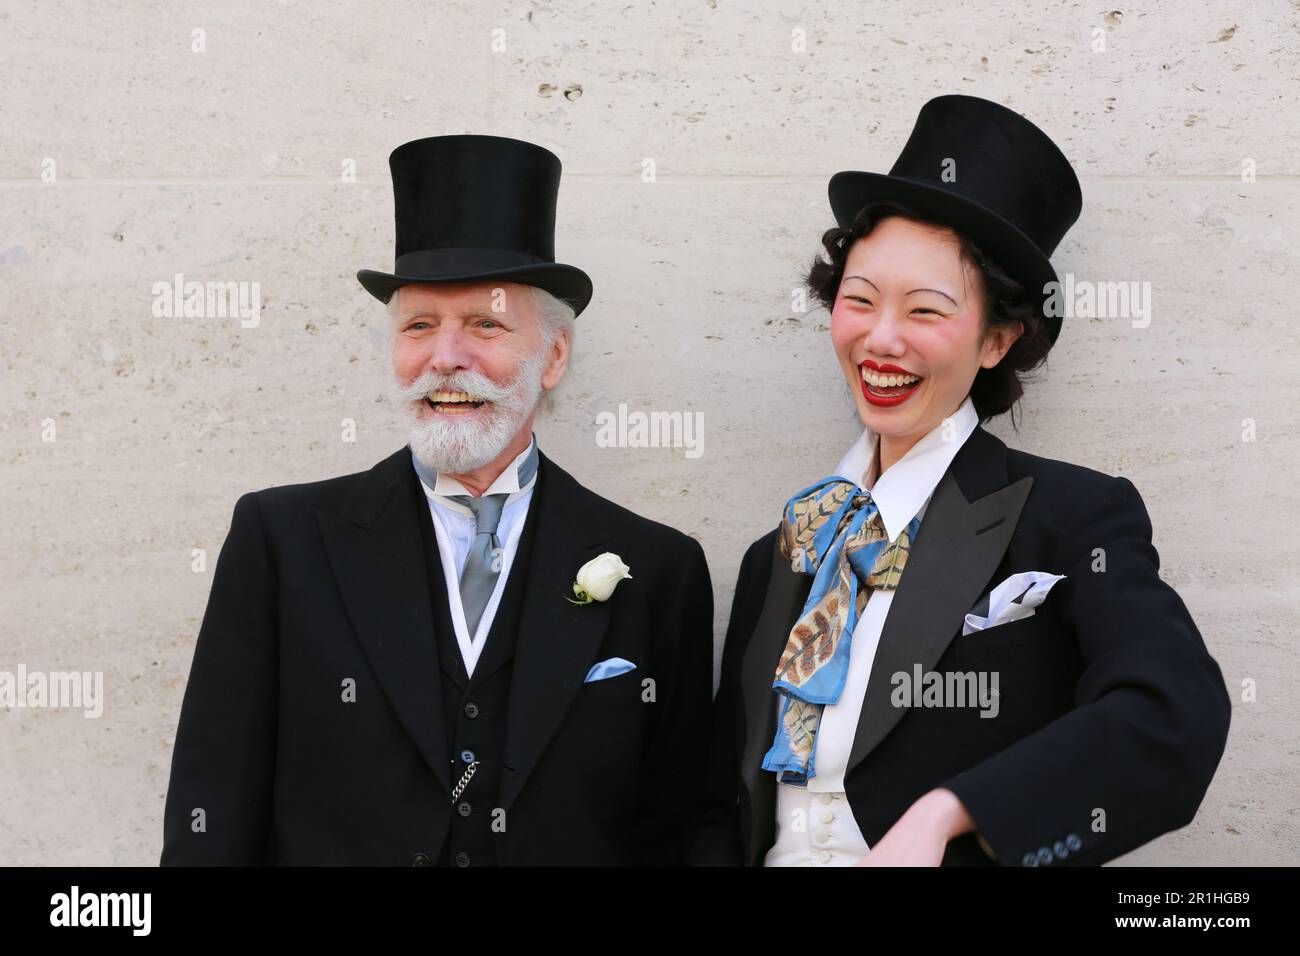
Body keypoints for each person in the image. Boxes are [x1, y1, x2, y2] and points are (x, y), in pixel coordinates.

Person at [691, 95, 1231, 867]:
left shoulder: (1074, 516)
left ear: (997, 340)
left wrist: (950, 814)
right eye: (859, 299)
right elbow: (720, 802)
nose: (881, 338)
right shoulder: (779, 552)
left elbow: (1174, 716)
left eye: (925, 310)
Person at [161, 134, 713, 866]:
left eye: (486, 324)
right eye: (420, 325)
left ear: (553, 356)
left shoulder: (659, 568)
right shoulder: (280, 542)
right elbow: (214, 805)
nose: (445, 358)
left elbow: (681, 827)